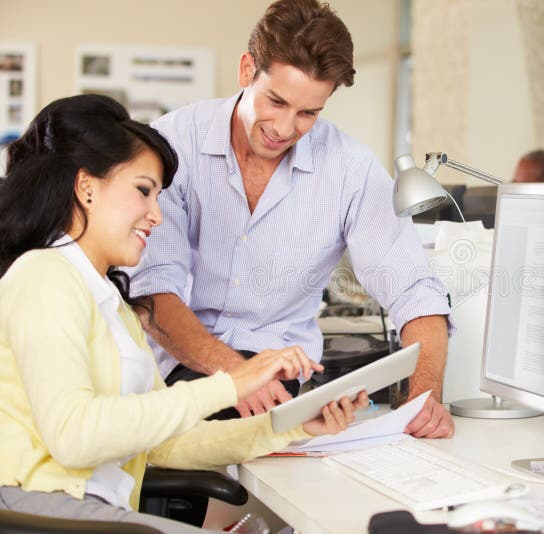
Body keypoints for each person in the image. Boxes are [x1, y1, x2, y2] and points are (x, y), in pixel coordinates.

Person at [0, 94, 368, 533]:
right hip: (40, 511)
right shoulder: (44, 274)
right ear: (87, 187)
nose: (156, 215)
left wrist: (292, 428)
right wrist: (230, 385)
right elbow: (74, 436)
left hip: (95, 514)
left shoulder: (113, 303)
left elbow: (166, 445)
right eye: (142, 191)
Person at [127, 0, 454, 438]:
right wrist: (234, 378)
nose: (284, 128)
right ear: (247, 70)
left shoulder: (349, 167)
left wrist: (426, 395)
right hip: (177, 367)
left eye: (307, 113)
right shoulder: (173, 144)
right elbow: (153, 292)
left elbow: (415, 289)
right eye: (275, 101)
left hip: (284, 380)